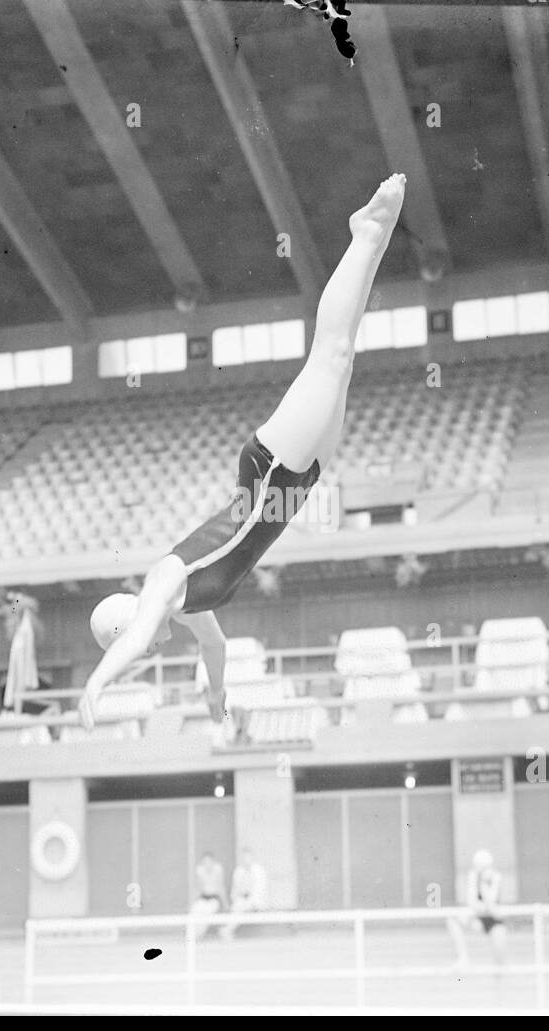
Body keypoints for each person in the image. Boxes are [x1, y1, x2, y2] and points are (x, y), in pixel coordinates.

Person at [78, 175, 408, 729]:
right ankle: (372, 238)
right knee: (341, 357)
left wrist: (97, 682)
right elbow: (216, 649)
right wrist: (216, 695)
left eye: (135, 642)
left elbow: (136, 637)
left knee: (330, 353)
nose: (151, 648)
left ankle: (365, 234)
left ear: (122, 628)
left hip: (269, 472)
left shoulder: (164, 582)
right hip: (294, 487)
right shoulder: (188, 610)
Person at [447, 849, 507, 970]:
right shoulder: (473, 875)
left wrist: (484, 885)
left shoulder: (496, 877)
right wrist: (485, 907)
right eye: (479, 867)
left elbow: (491, 901)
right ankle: (463, 958)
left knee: (500, 963)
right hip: (479, 919)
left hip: (495, 923)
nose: (481, 870)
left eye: (484, 867)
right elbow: (472, 902)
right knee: (453, 918)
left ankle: (500, 984)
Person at [222, 848, 268, 939]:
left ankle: (227, 930)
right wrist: (236, 898)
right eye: (244, 858)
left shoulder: (259, 870)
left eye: (248, 857)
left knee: (241, 906)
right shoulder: (238, 871)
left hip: (255, 900)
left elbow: (260, 889)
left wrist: (250, 900)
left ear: (252, 858)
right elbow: (235, 889)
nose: (246, 860)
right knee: (238, 906)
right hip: (241, 900)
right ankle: (227, 930)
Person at [189, 851, 228, 940]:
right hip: (203, 899)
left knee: (207, 913)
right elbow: (198, 888)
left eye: (209, 862)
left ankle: (198, 935)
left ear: (213, 862)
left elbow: (221, 887)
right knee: (194, 911)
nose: (207, 864)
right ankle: (191, 936)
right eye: (205, 862)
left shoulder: (218, 869)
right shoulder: (200, 870)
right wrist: (193, 901)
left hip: (214, 899)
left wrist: (225, 904)